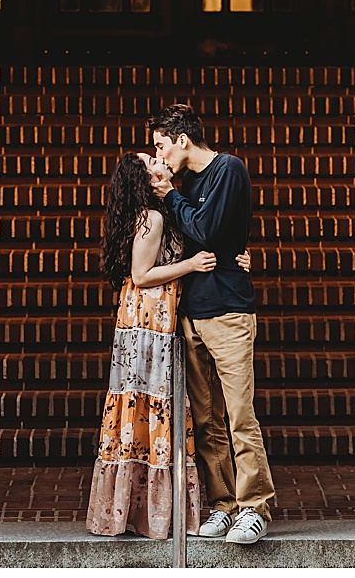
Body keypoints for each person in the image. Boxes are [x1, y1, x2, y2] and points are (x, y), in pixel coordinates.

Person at [147, 103, 275, 545]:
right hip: (192, 313)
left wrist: (170, 196)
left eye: (161, 146)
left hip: (229, 312)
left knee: (240, 416)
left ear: (182, 140)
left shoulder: (228, 170)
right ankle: (225, 505)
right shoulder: (186, 184)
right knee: (207, 421)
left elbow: (207, 230)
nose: (160, 156)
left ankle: (254, 507)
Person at [87, 152, 210, 538]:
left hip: (148, 319)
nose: (160, 159)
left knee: (143, 408)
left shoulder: (158, 212)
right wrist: (191, 265)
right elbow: (141, 275)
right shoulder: (151, 217)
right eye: (150, 160)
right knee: (150, 408)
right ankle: (148, 514)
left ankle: (135, 510)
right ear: (144, 178)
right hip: (147, 322)